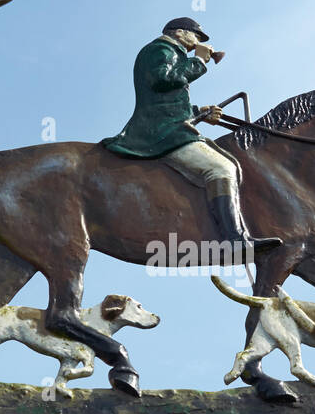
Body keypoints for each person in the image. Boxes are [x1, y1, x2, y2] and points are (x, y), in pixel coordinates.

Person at [100, 17, 281, 258]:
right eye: (195, 36)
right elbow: (163, 81)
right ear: (180, 33)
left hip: (168, 124)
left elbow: (167, 99)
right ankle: (234, 241)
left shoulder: (168, 51)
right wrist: (199, 61)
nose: (196, 41)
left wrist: (199, 113)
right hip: (160, 132)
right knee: (221, 169)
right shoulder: (160, 49)